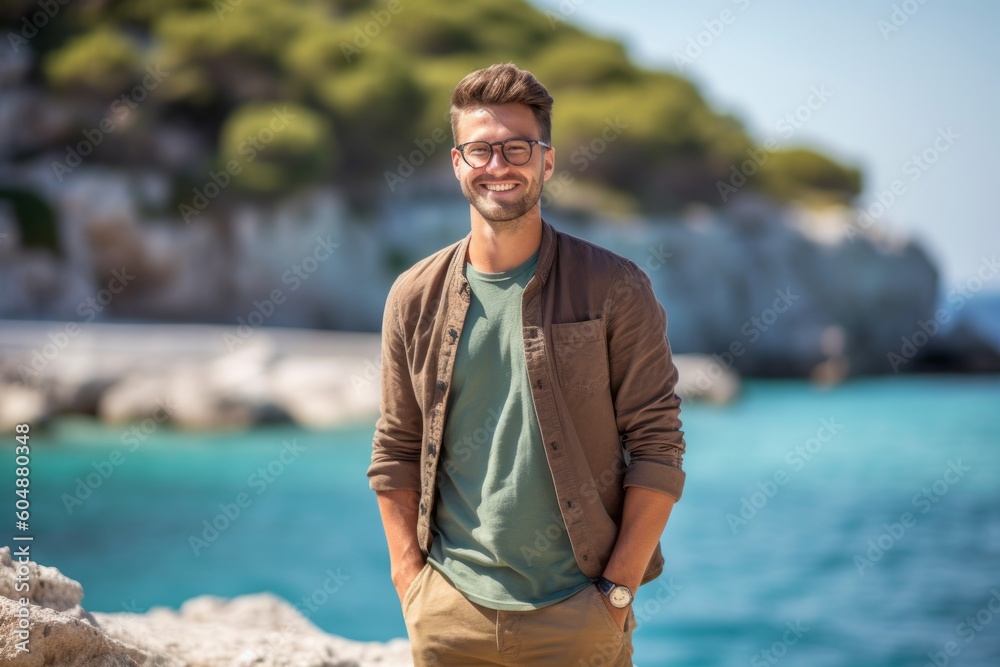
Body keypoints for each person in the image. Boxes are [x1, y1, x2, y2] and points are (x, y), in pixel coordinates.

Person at [368, 62, 686, 667]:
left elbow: (658, 444)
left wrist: (615, 594)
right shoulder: (414, 295)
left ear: (547, 160)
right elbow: (395, 448)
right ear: (457, 162)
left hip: (577, 615)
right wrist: (410, 582)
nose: (498, 166)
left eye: (517, 148)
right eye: (481, 149)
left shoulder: (615, 287)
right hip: (447, 614)